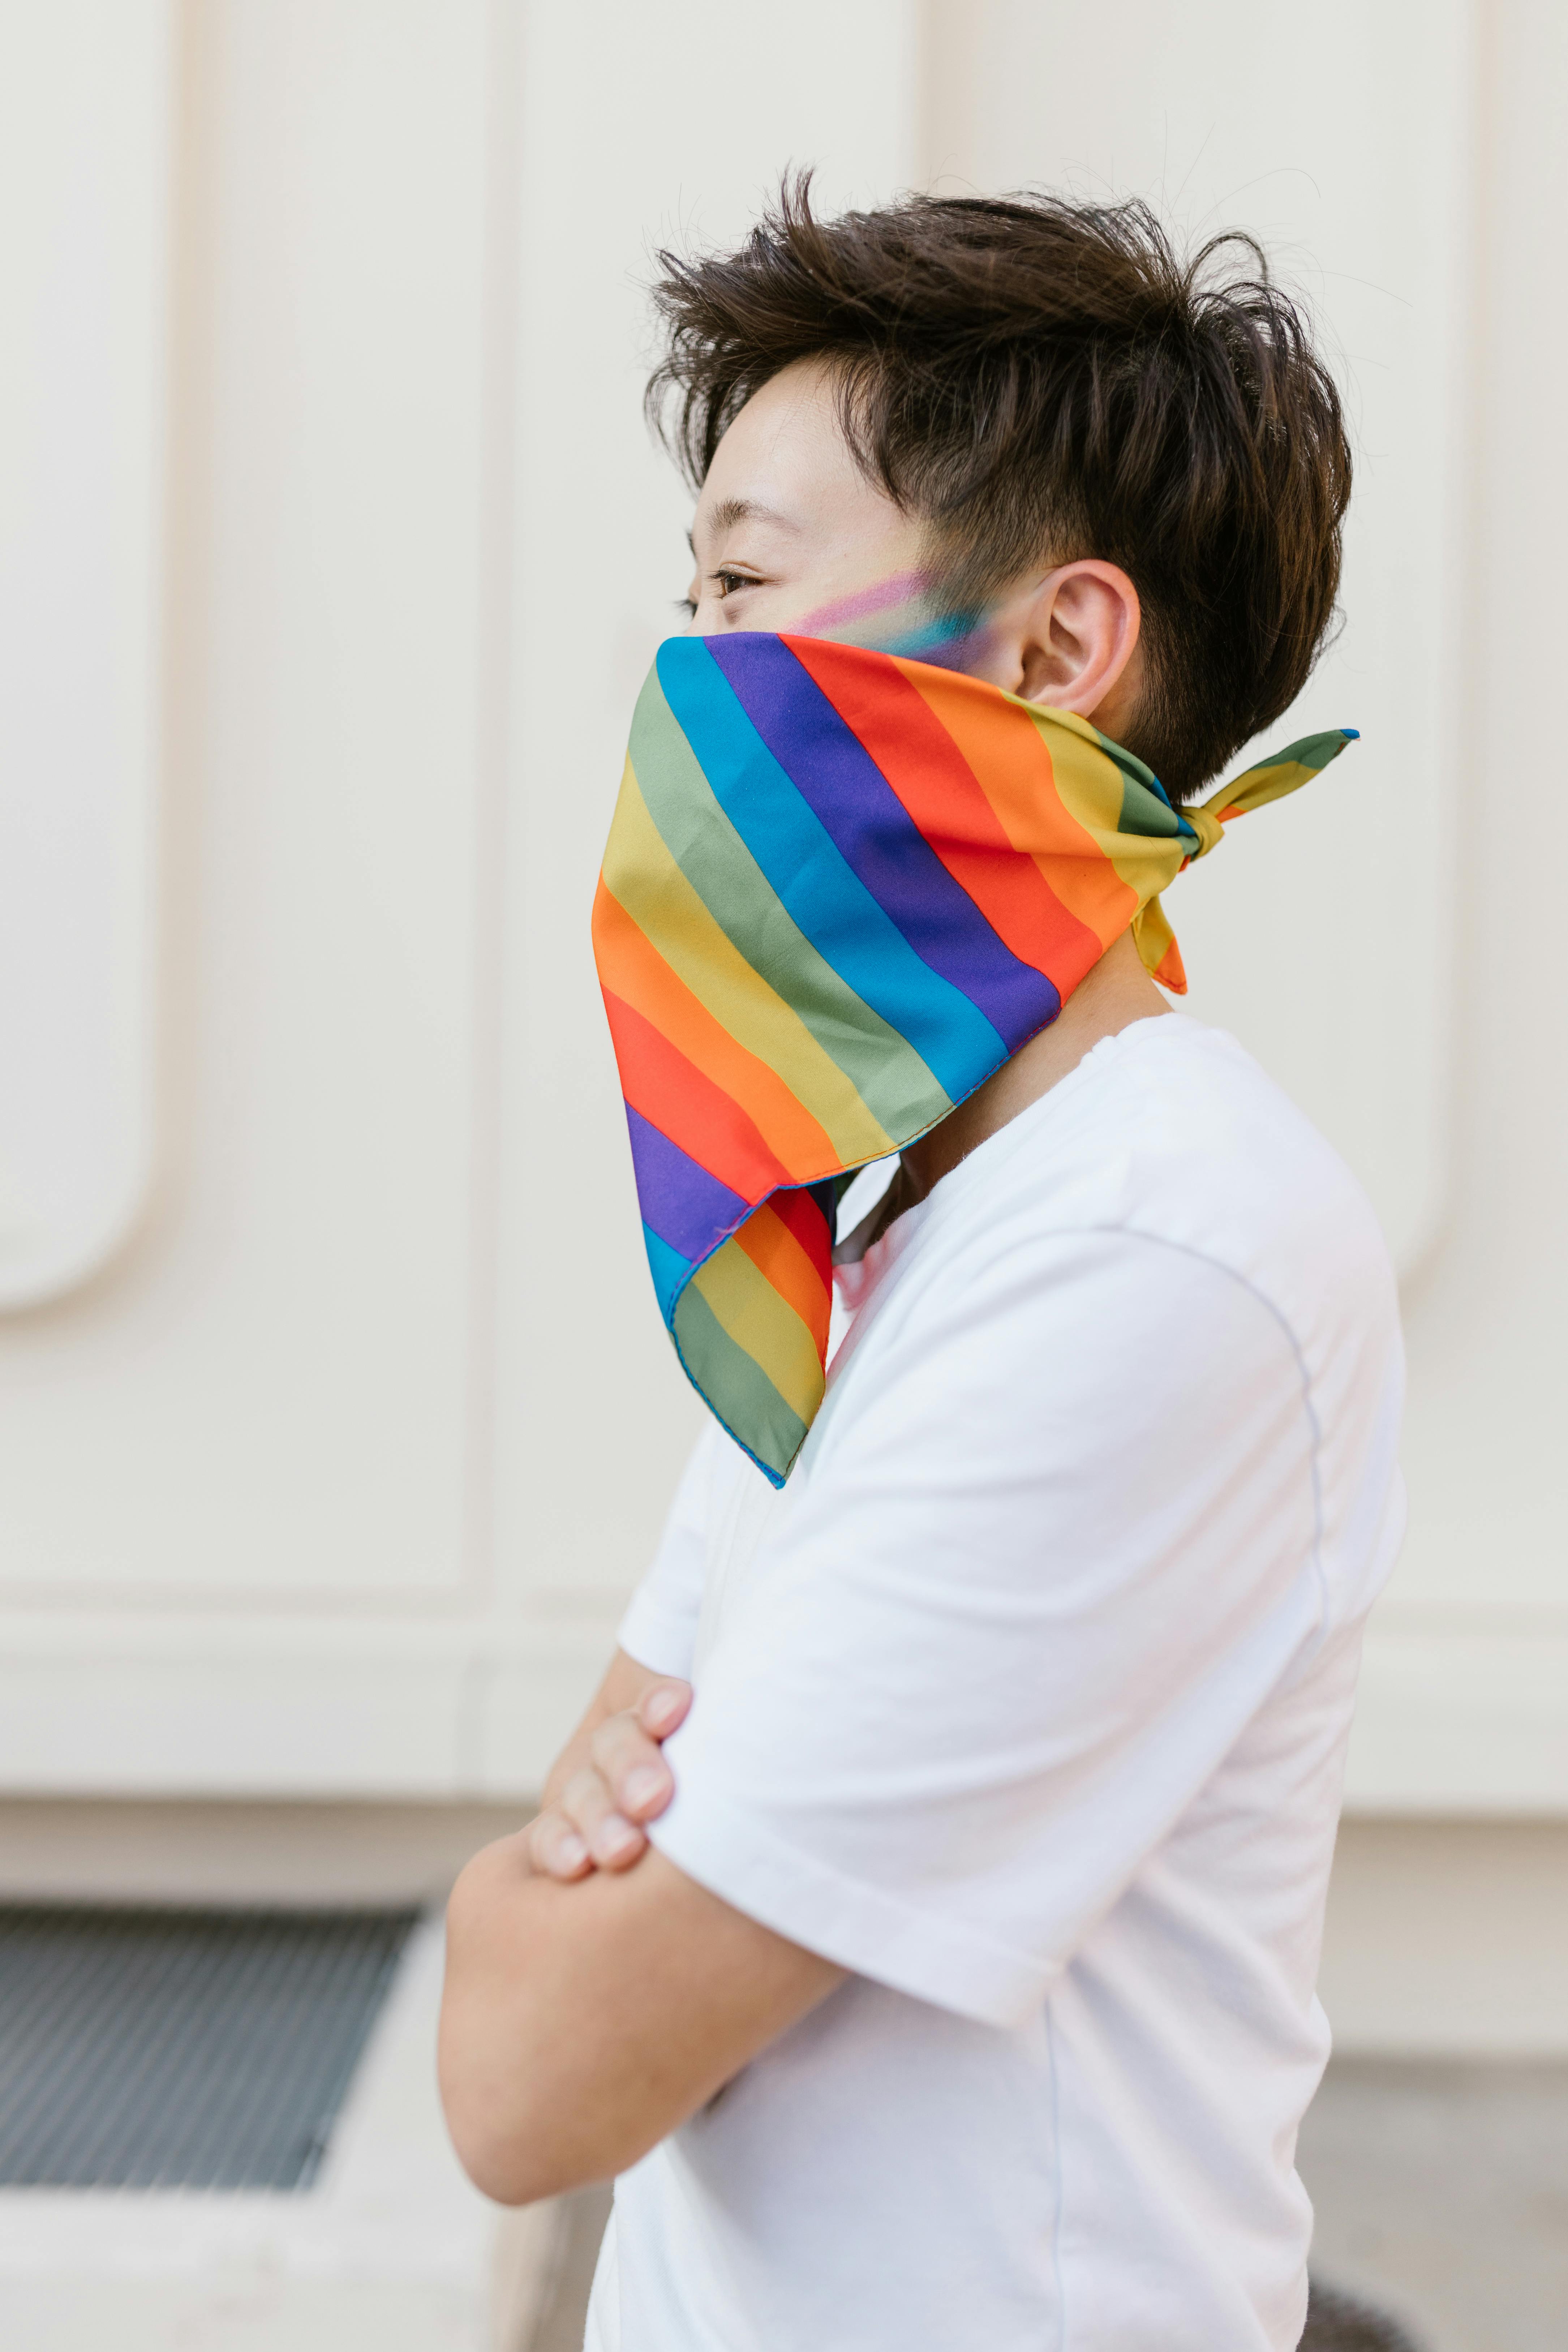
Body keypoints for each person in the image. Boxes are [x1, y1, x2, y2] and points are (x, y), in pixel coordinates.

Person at [439, 183, 1405, 2352]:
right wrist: (551, 1893)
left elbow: (528, 2077)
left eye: (751, 585)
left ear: (1057, 652)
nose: (687, 680)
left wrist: (532, 1904)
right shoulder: (870, 1206)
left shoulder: (1153, 1252)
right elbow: (564, 1948)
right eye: (688, 595)